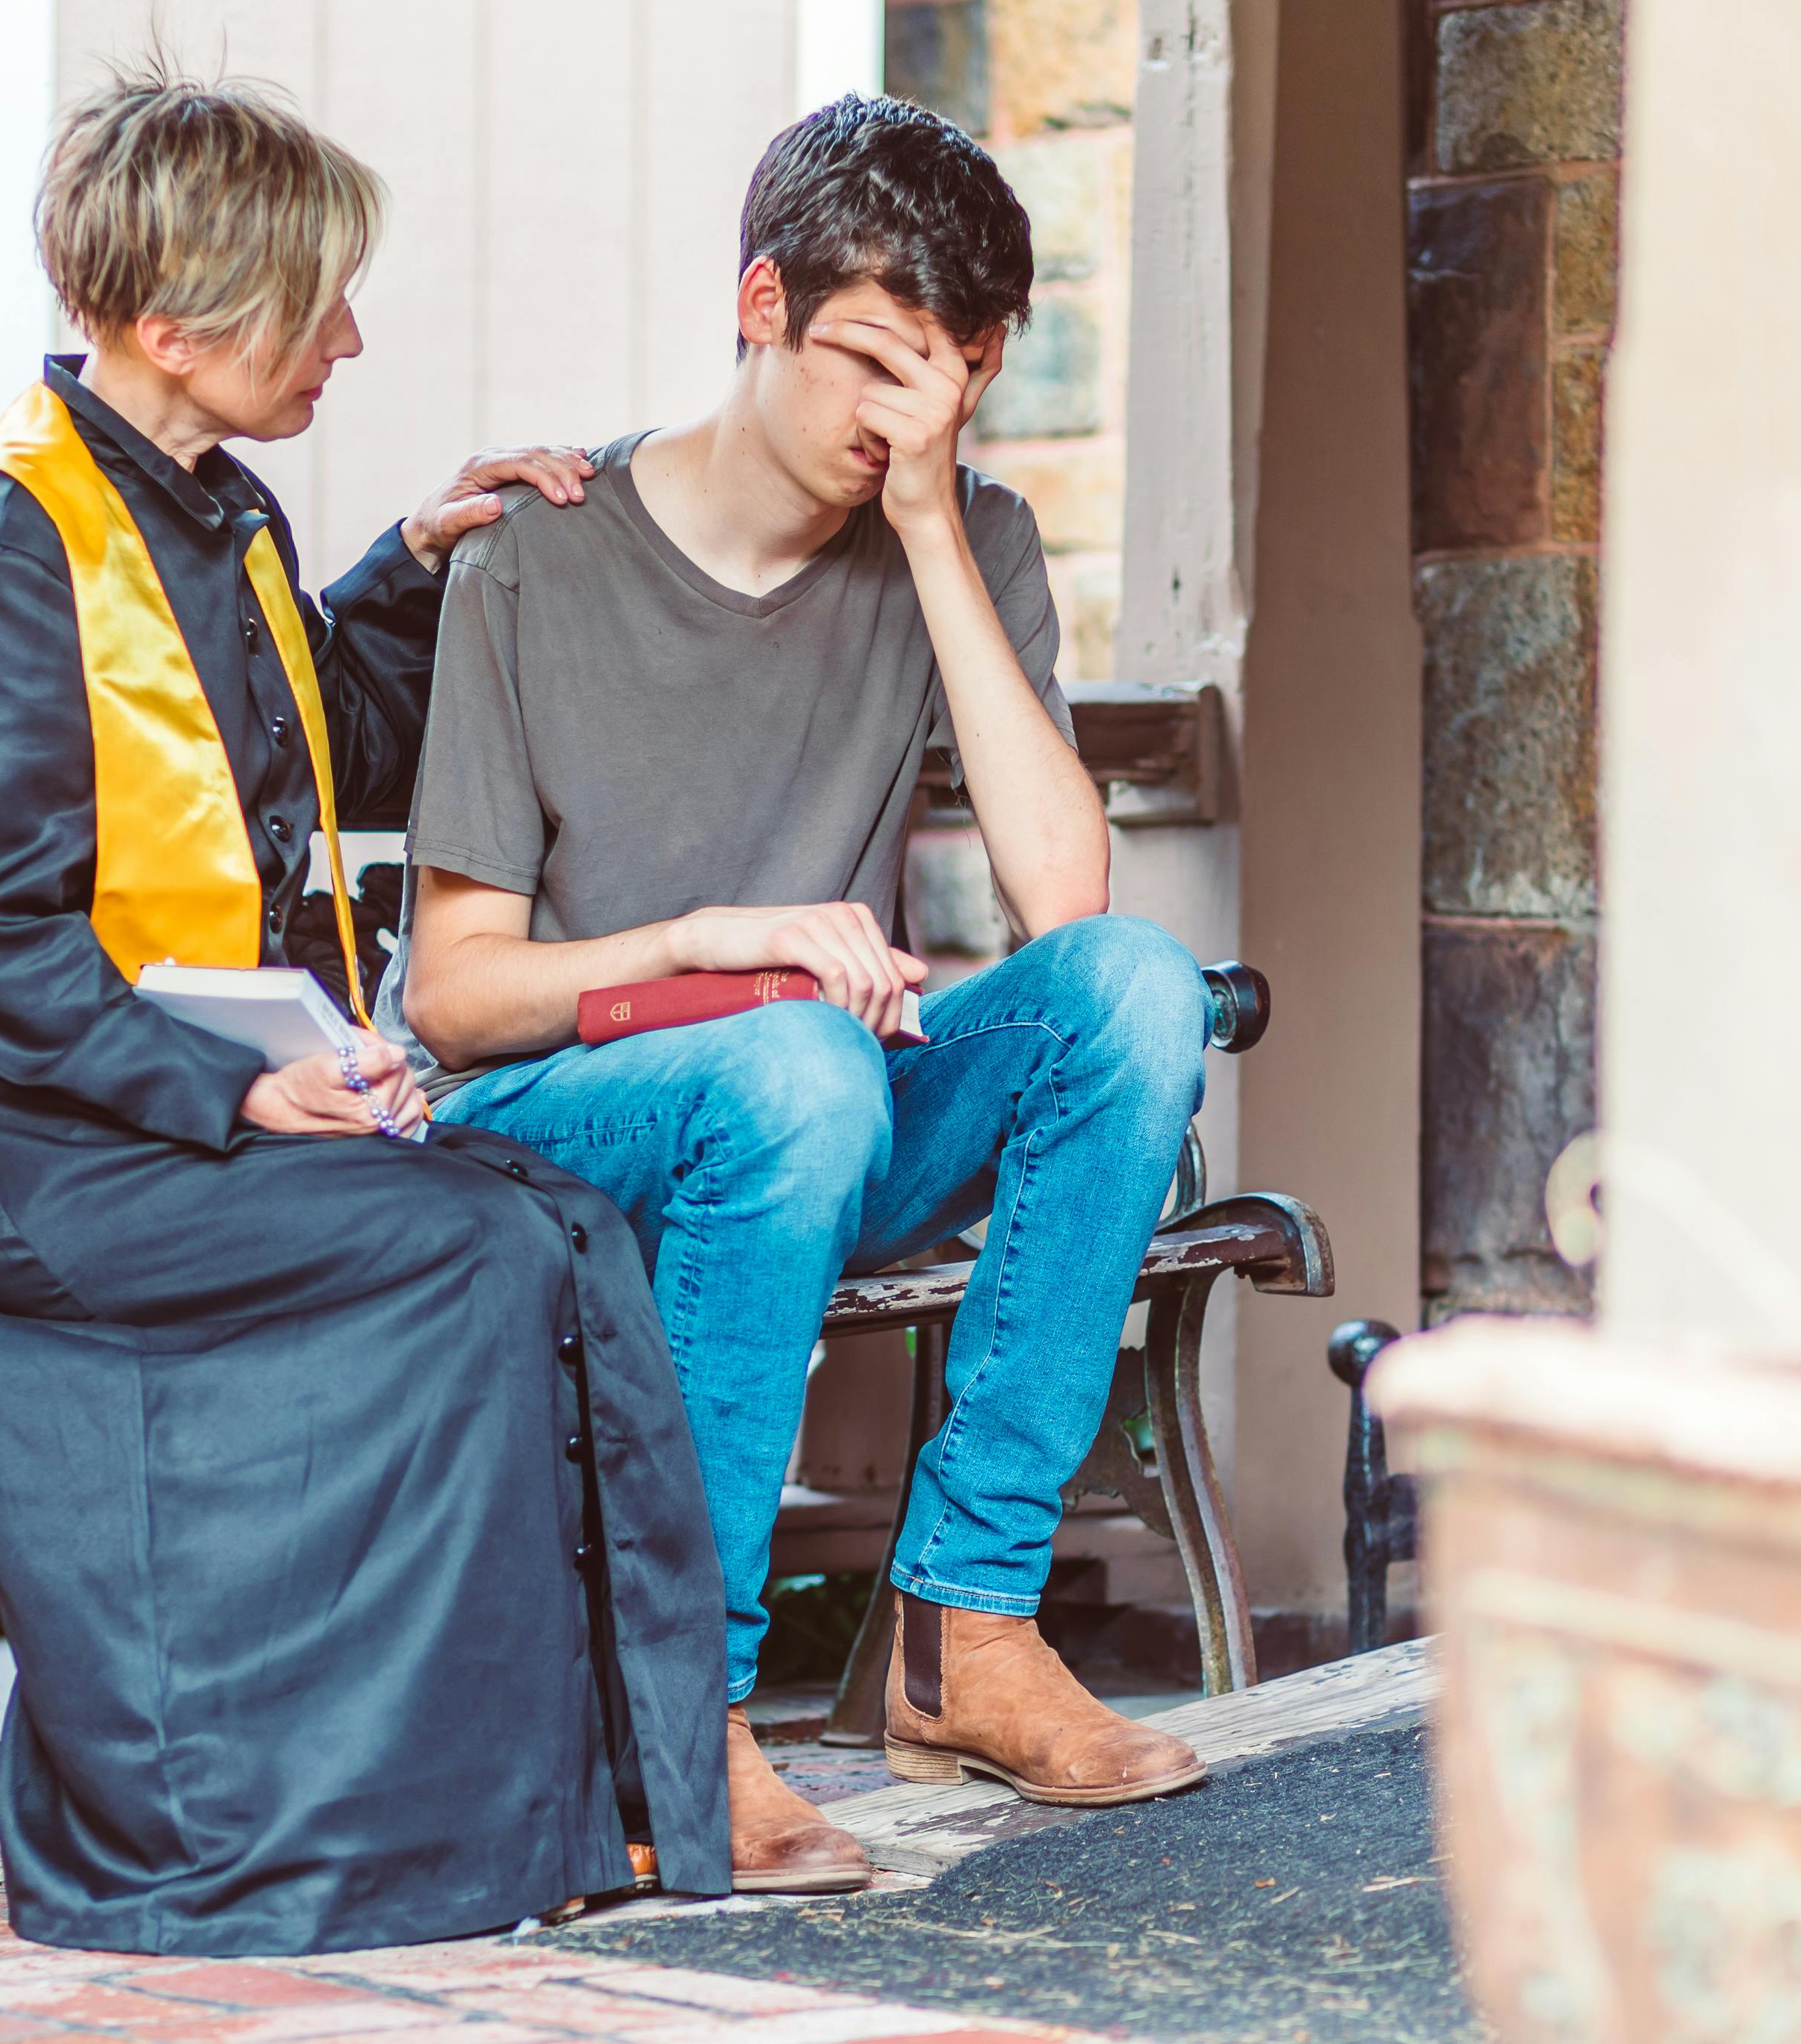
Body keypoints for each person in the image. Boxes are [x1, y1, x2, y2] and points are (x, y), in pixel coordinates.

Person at [0, 67, 731, 1955]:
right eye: (315, 302)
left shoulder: (207, 517)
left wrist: (415, 567)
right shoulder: (9, 561)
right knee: (475, 1247)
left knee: (539, 1227)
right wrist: (240, 1101)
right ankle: (275, 1828)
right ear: (172, 326)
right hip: (7, 1146)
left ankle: (485, 1824)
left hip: (105, 1107)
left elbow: (316, 749)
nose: (351, 337)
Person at [382, 95, 1216, 1895]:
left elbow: (1062, 900)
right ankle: (680, 1708)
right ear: (759, 299)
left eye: (953, 381)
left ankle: (961, 1630)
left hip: (818, 1111)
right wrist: (711, 947)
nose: (897, 420)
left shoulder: (958, 536)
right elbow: (455, 1004)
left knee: (1137, 992)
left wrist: (929, 526)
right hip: (569, 1129)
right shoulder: (543, 550)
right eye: (867, 362)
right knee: (796, 1066)